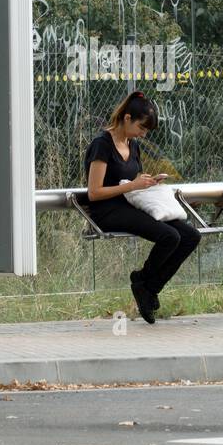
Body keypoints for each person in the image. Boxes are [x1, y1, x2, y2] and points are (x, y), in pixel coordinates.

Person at [81, 90, 199, 324]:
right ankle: (143, 283)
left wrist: (148, 182)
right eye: (141, 128)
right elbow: (94, 193)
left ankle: (148, 285)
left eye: (146, 131)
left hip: (129, 204)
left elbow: (132, 184)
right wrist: (133, 185)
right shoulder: (101, 145)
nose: (143, 134)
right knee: (169, 236)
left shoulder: (132, 144)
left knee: (190, 236)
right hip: (107, 210)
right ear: (127, 119)